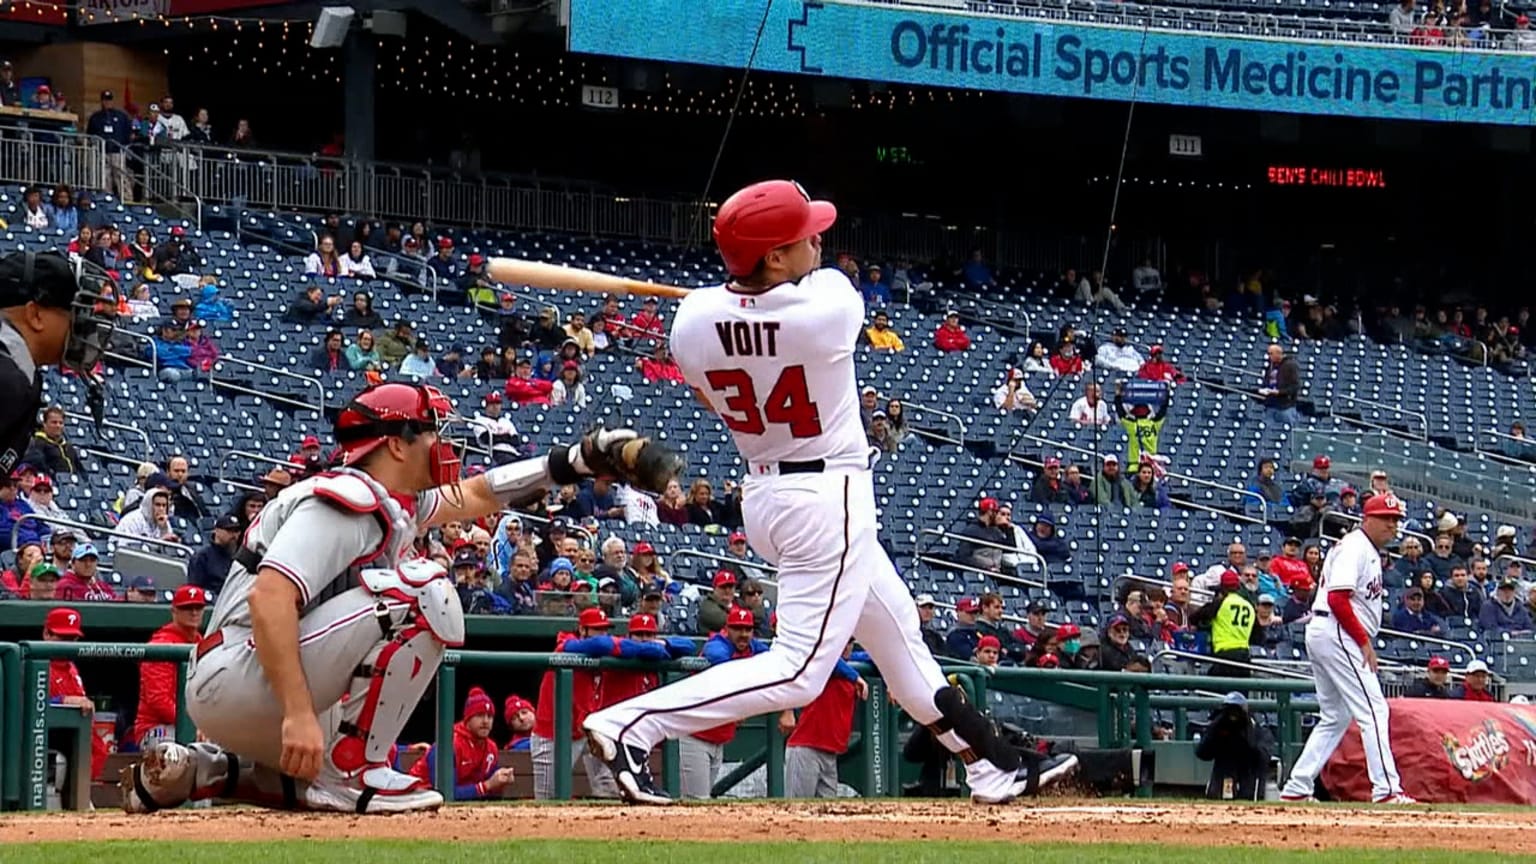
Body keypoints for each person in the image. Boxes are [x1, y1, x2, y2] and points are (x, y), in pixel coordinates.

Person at [583, 179, 1055, 806]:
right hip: (826, 497)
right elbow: (806, 293)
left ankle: (987, 762)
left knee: (899, 637)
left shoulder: (691, 325)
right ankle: (631, 727)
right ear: (773, 258)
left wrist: (737, 316)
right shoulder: (829, 306)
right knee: (799, 671)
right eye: (805, 234)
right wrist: (755, 315)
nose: (820, 239)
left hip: (772, 493)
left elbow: (712, 381)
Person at [120, 381, 679, 815]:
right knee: (427, 588)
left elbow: (479, 493)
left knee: (415, 590)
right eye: (431, 430)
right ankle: (355, 774)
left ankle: (214, 771)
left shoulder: (388, 499)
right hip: (248, 672)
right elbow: (271, 598)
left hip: (255, 680)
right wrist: (295, 712)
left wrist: (579, 460)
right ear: (395, 442)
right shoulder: (344, 499)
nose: (444, 442)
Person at [1279, 492, 1417, 804]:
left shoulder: (1364, 548)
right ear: (1367, 518)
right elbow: (1337, 599)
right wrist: (1363, 640)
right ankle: (1387, 790)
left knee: (1336, 715)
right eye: (1386, 519)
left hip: (1328, 632)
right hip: (1337, 631)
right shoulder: (1356, 547)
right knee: (1374, 709)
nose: (1392, 525)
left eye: (1396, 520)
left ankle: (1297, 787)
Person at [0, 251, 116, 476]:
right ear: (35, 315)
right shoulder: (7, 377)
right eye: (76, 312)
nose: (84, 325)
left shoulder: (20, 372)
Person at [130, 585, 210, 751]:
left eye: (198, 607)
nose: (194, 612)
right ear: (174, 611)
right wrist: (193, 725)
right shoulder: (161, 644)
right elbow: (159, 701)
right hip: (156, 728)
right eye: (187, 607)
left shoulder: (202, 643)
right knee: (185, 752)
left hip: (195, 724)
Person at [1195, 692, 1273, 801]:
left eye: (1237, 711)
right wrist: (1216, 727)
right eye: (1230, 711)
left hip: (1248, 789)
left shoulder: (1258, 731)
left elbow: (1263, 758)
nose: (1233, 716)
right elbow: (1202, 753)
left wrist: (1246, 733)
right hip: (1220, 787)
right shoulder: (1220, 728)